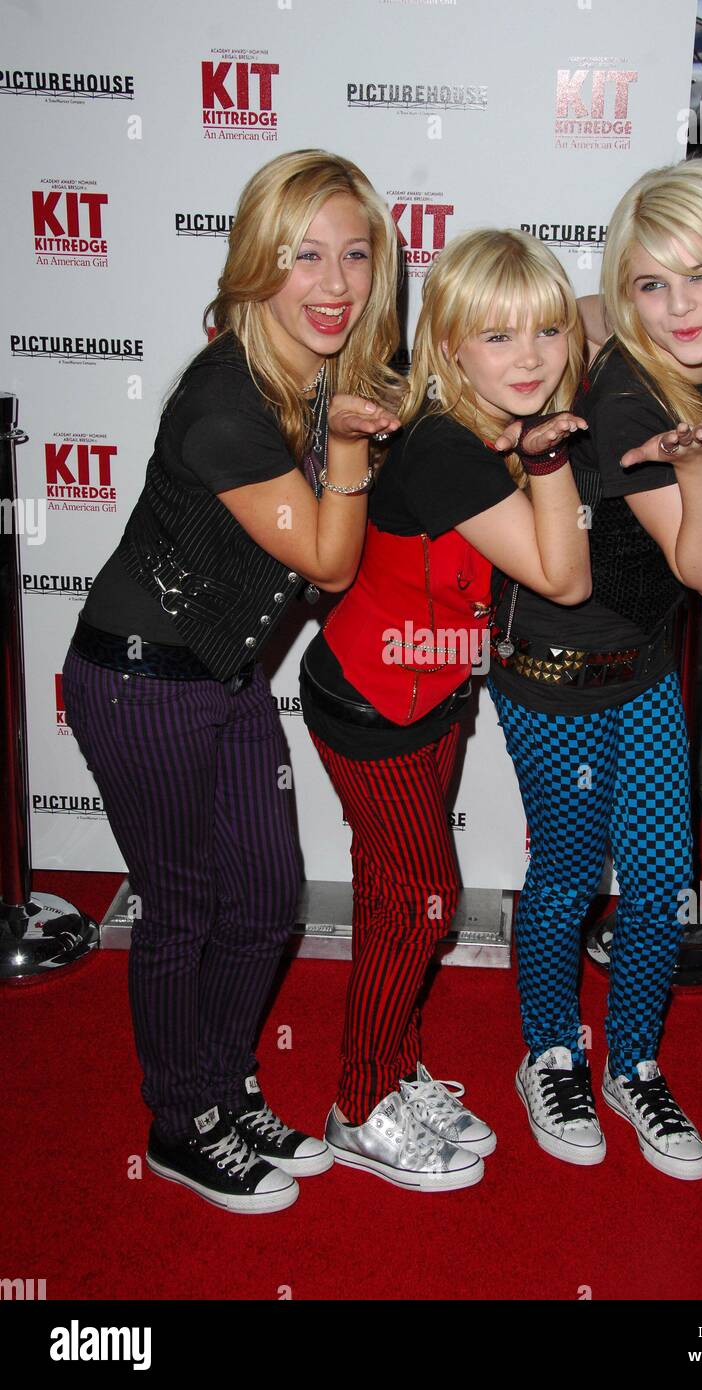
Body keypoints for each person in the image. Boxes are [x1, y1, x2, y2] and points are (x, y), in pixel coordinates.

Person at [61, 149, 402, 1215]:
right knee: (186, 907)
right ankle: (179, 1121)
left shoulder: (315, 372)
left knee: (263, 899)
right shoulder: (227, 403)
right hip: (139, 683)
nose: (334, 281)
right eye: (304, 254)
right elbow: (330, 562)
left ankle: (225, 1084)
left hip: (227, 677)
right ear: (258, 262)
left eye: (354, 252)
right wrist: (346, 450)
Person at [488, 158, 702, 1181]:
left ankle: (634, 1062)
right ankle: (552, 1051)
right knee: (567, 877)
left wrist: (616, 302)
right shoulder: (629, 408)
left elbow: (600, 301)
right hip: (557, 676)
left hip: (642, 665)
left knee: (657, 880)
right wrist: (698, 468)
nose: (681, 304)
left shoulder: (683, 355)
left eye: (700, 274)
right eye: (654, 284)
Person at [298, 228, 591, 1192]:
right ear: (451, 345)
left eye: (546, 332)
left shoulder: (471, 423)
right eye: (498, 338)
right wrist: (545, 464)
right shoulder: (446, 450)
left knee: (406, 901)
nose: (532, 357)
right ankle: (359, 1104)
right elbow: (561, 575)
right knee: (415, 909)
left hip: (427, 698)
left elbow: (594, 323)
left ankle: (397, 1072)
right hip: (371, 705)